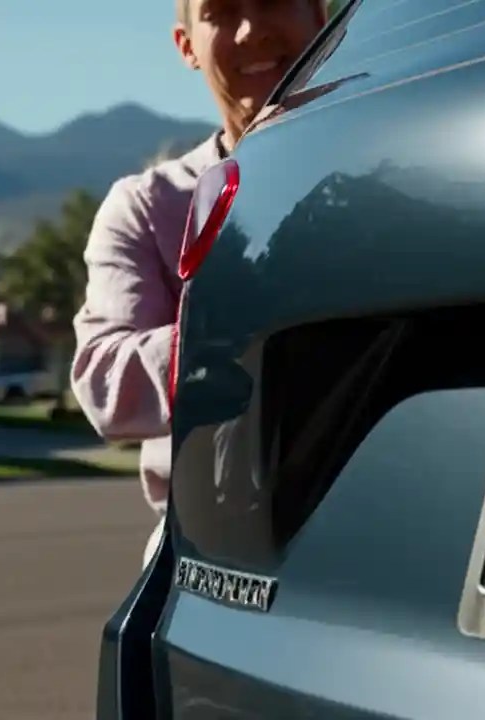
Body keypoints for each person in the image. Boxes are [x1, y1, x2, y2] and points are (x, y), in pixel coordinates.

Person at [70, 0, 328, 567]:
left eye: (274, 0)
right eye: (221, 11)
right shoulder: (146, 208)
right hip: (203, 559)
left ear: (321, 15)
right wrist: (248, 328)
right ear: (187, 46)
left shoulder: (397, 178)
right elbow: (104, 380)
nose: (252, 30)